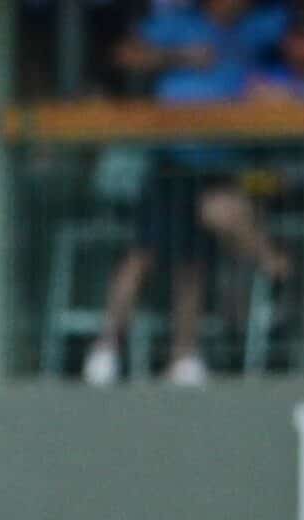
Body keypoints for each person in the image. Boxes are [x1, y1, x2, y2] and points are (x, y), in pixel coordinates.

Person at [89, 0, 291, 385]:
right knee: (142, 253)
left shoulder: (258, 27)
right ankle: (106, 346)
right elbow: (125, 55)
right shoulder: (178, 23)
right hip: (170, 159)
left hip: (228, 164)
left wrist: (272, 93)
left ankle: (185, 354)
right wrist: (179, 56)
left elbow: (300, 38)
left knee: (192, 260)